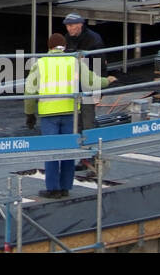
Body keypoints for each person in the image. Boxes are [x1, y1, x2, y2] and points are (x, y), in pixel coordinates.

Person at [24, 33, 116, 198]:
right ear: (64, 47)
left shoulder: (41, 63)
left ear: (49, 47)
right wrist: (107, 81)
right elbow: (91, 82)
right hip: (70, 113)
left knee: (51, 151)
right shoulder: (74, 61)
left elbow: (30, 91)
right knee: (68, 150)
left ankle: (53, 189)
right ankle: (65, 187)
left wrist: (29, 114)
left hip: (49, 114)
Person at [63, 13, 106, 165]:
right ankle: (83, 157)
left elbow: (100, 66)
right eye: (67, 26)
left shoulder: (93, 40)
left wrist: (98, 91)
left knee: (88, 121)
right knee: (78, 122)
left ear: (80, 25)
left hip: (88, 85)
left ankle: (92, 157)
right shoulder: (67, 39)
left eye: (72, 25)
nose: (69, 28)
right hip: (74, 85)